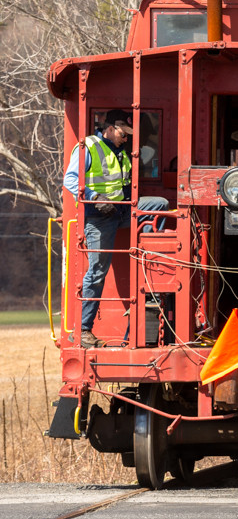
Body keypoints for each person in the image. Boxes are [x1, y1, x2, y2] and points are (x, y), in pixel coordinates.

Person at [63, 109, 169, 348]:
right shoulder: (88, 147)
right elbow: (70, 180)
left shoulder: (121, 151)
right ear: (110, 128)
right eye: (123, 132)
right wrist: (95, 198)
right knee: (98, 271)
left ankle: (149, 261)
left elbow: (123, 183)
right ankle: (83, 330)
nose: (126, 137)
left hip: (121, 211)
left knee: (159, 205)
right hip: (99, 218)